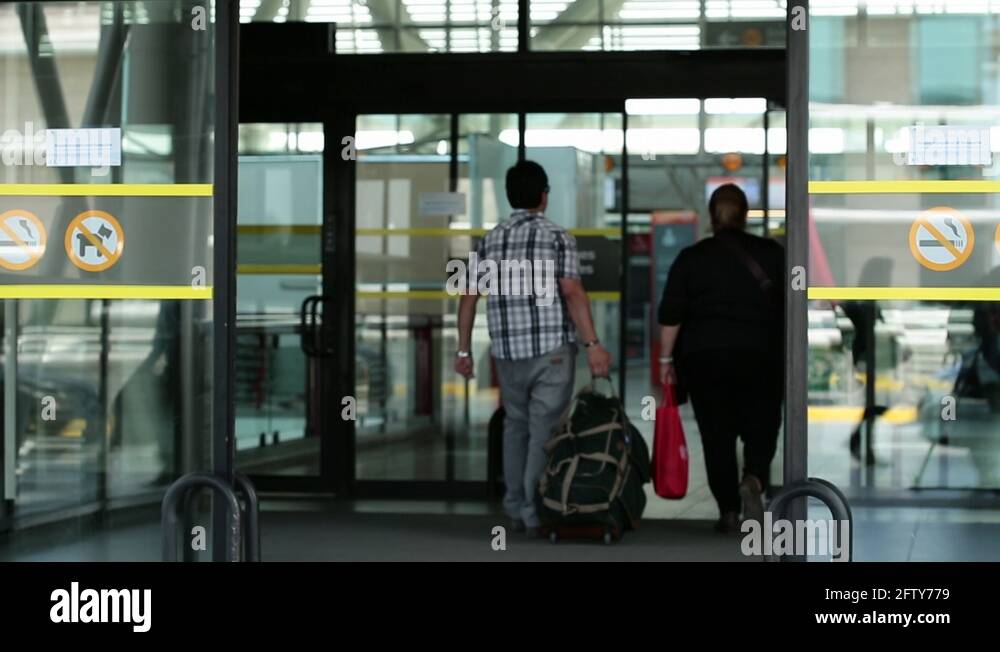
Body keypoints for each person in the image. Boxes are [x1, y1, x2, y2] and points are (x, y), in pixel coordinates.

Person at [454, 160, 612, 536]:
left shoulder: (491, 239)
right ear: (543, 196)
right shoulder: (557, 236)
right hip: (550, 351)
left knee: (516, 427)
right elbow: (572, 291)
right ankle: (533, 508)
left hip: (508, 353)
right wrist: (592, 344)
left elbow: (468, 296)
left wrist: (462, 351)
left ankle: (514, 506)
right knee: (544, 429)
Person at [657, 183, 784, 534]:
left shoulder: (692, 258)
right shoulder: (772, 254)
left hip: (705, 359)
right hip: (761, 355)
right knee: (763, 425)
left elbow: (671, 315)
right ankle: (755, 478)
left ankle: (728, 511)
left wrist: (665, 362)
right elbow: (791, 307)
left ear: (712, 216)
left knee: (717, 437)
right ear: (745, 215)